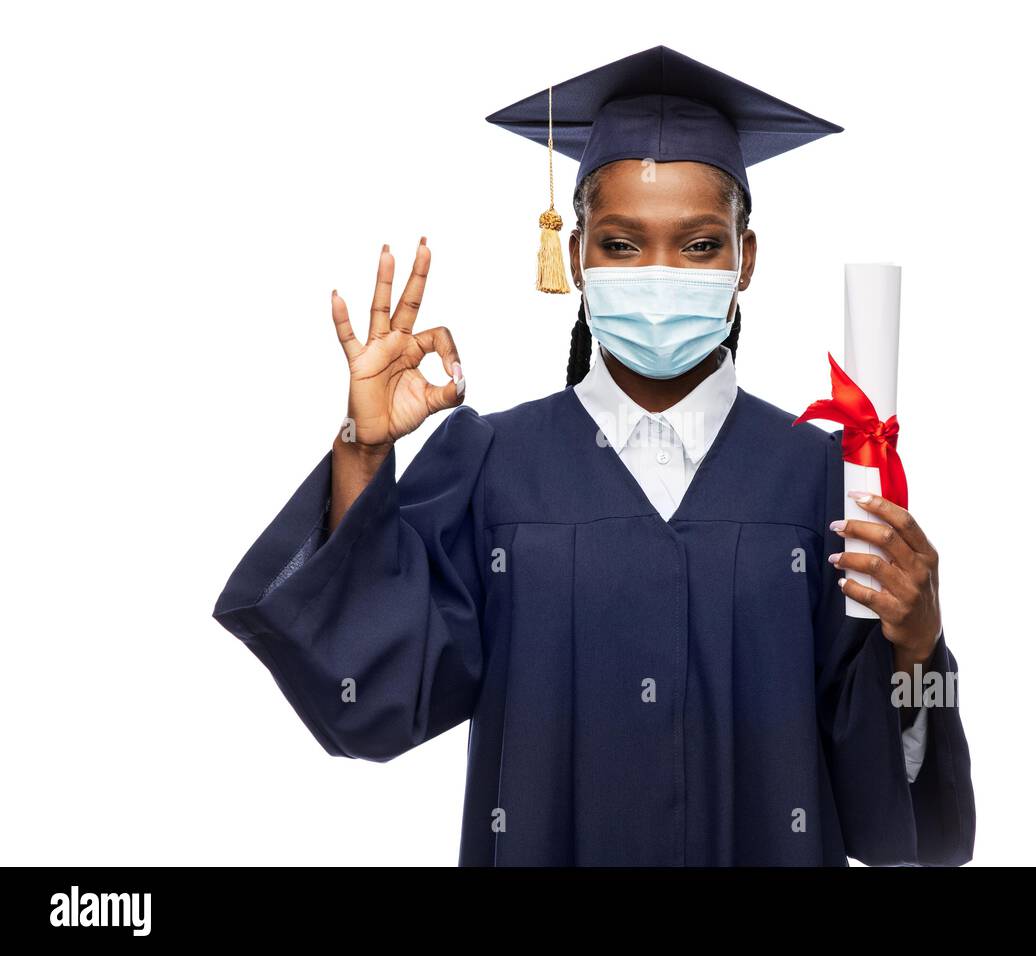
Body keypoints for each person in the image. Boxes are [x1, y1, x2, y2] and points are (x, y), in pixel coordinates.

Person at [213, 45, 975, 866]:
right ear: (575, 255)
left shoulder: (827, 478)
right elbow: (375, 703)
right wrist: (363, 449)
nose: (658, 273)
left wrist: (917, 649)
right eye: (620, 244)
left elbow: (891, 819)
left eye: (697, 245)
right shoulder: (490, 464)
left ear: (745, 259)